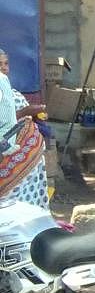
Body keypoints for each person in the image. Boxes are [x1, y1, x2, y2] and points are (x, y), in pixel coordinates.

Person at [0, 48, 48, 208]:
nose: (4, 68)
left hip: (30, 167)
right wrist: (26, 111)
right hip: (9, 163)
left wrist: (35, 115)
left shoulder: (8, 89)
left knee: (29, 209)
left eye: (6, 63)